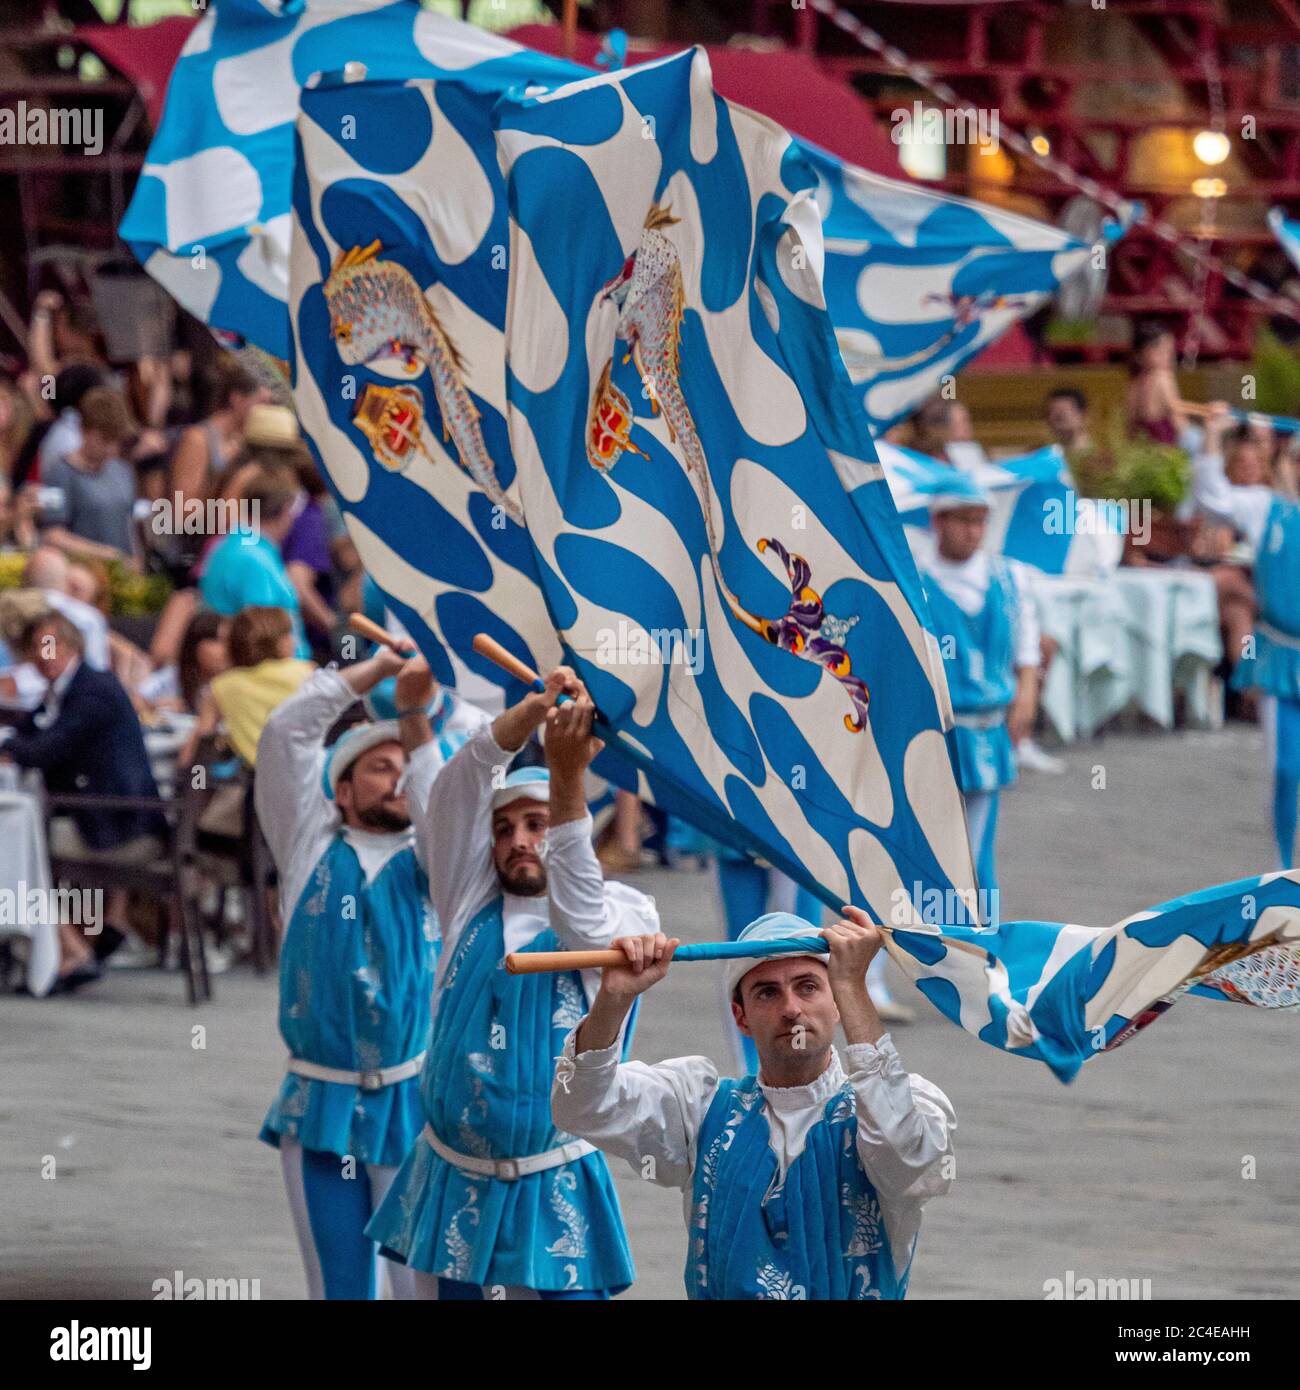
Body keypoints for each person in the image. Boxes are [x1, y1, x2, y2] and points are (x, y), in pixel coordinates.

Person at [366, 668, 657, 1300]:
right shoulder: (466, 900)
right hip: (452, 1183)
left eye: (538, 823)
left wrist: (567, 776)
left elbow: (581, 927)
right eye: (505, 829)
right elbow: (456, 790)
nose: (520, 841)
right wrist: (527, 714)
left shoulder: (623, 912)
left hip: (557, 1186)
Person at [552, 910, 956, 1300]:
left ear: (837, 1004)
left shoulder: (908, 1103)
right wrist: (613, 999)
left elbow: (908, 1159)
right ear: (740, 1018)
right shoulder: (700, 1106)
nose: (792, 1008)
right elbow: (582, 1107)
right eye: (768, 992)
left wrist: (853, 987)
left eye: (808, 986)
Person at [253, 641, 475, 1299]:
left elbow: (451, 783)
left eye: (405, 766)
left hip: (415, 1101)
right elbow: (287, 730)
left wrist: (421, 709)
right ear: (341, 790)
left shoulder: (440, 864)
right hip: (320, 1099)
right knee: (340, 1287)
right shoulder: (307, 842)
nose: (399, 777)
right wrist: (372, 670)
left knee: (419, 1287)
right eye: (380, 769)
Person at [0, 612, 165, 984]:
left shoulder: (92, 690)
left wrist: (11, 745)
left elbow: (44, 750)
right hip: (107, 814)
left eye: (50, 645)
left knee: (22, 848)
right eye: (37, 648)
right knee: (24, 837)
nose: (43, 656)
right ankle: (67, 943)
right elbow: (33, 734)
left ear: (71, 645)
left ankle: (71, 951)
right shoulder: (69, 688)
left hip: (121, 825)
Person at [915, 477, 1041, 913]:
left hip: (987, 732)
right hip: (932, 734)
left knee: (974, 853)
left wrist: (1026, 692)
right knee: (927, 850)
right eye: (964, 520)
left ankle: (980, 950)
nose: (973, 531)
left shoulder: (1009, 577)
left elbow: (1027, 641)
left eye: (981, 521)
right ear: (938, 521)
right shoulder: (915, 580)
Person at [1195, 403, 1300, 867]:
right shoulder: (1266, 508)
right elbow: (1212, 500)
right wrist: (1213, 438)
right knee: (1284, 768)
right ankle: (1283, 868)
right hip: (1280, 657)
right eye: (1296, 460)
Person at [183, 605, 314, 768]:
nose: (294, 641)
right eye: (288, 634)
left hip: (257, 781)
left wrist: (189, 782)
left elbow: (195, 748)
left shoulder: (222, 686)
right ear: (278, 642)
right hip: (305, 773)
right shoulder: (306, 672)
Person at [198, 468, 309, 657]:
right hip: (268, 677)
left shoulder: (232, 545)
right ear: (285, 512)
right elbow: (266, 635)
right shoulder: (254, 558)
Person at [39, 386, 138, 564]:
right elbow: (51, 535)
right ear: (84, 430)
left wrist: (137, 561)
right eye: (104, 439)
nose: (111, 448)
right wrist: (105, 554)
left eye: (116, 440)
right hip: (83, 571)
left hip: (125, 574)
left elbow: (130, 525)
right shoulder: (57, 474)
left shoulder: (122, 471)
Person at [1127, 321, 1186, 447]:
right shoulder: (1163, 378)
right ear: (1147, 352)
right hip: (1166, 456)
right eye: (1165, 351)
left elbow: (1130, 431)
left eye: (1171, 352)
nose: (1171, 358)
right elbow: (1180, 426)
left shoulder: (1133, 384)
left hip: (1140, 454)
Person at [1044, 387, 1092, 455]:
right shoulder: (1045, 456)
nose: (1055, 424)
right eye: (1050, 414)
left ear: (1083, 416)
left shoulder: (1104, 455)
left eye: (1062, 416)